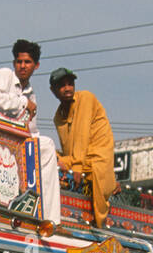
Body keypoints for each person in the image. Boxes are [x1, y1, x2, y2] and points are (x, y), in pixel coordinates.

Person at [0, 39, 60, 223]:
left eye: (27, 62)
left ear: (36, 65)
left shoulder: (30, 92)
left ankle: (50, 220)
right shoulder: (5, 74)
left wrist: (56, 156)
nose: (22, 66)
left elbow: (30, 130)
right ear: (14, 64)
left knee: (46, 146)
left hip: (8, 143)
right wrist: (22, 103)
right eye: (19, 62)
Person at [48, 67, 117, 225]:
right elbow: (68, 148)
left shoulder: (85, 98)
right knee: (47, 153)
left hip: (96, 160)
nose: (67, 88)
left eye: (70, 84)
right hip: (79, 160)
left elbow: (82, 134)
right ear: (53, 90)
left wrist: (76, 167)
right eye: (62, 85)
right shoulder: (58, 117)